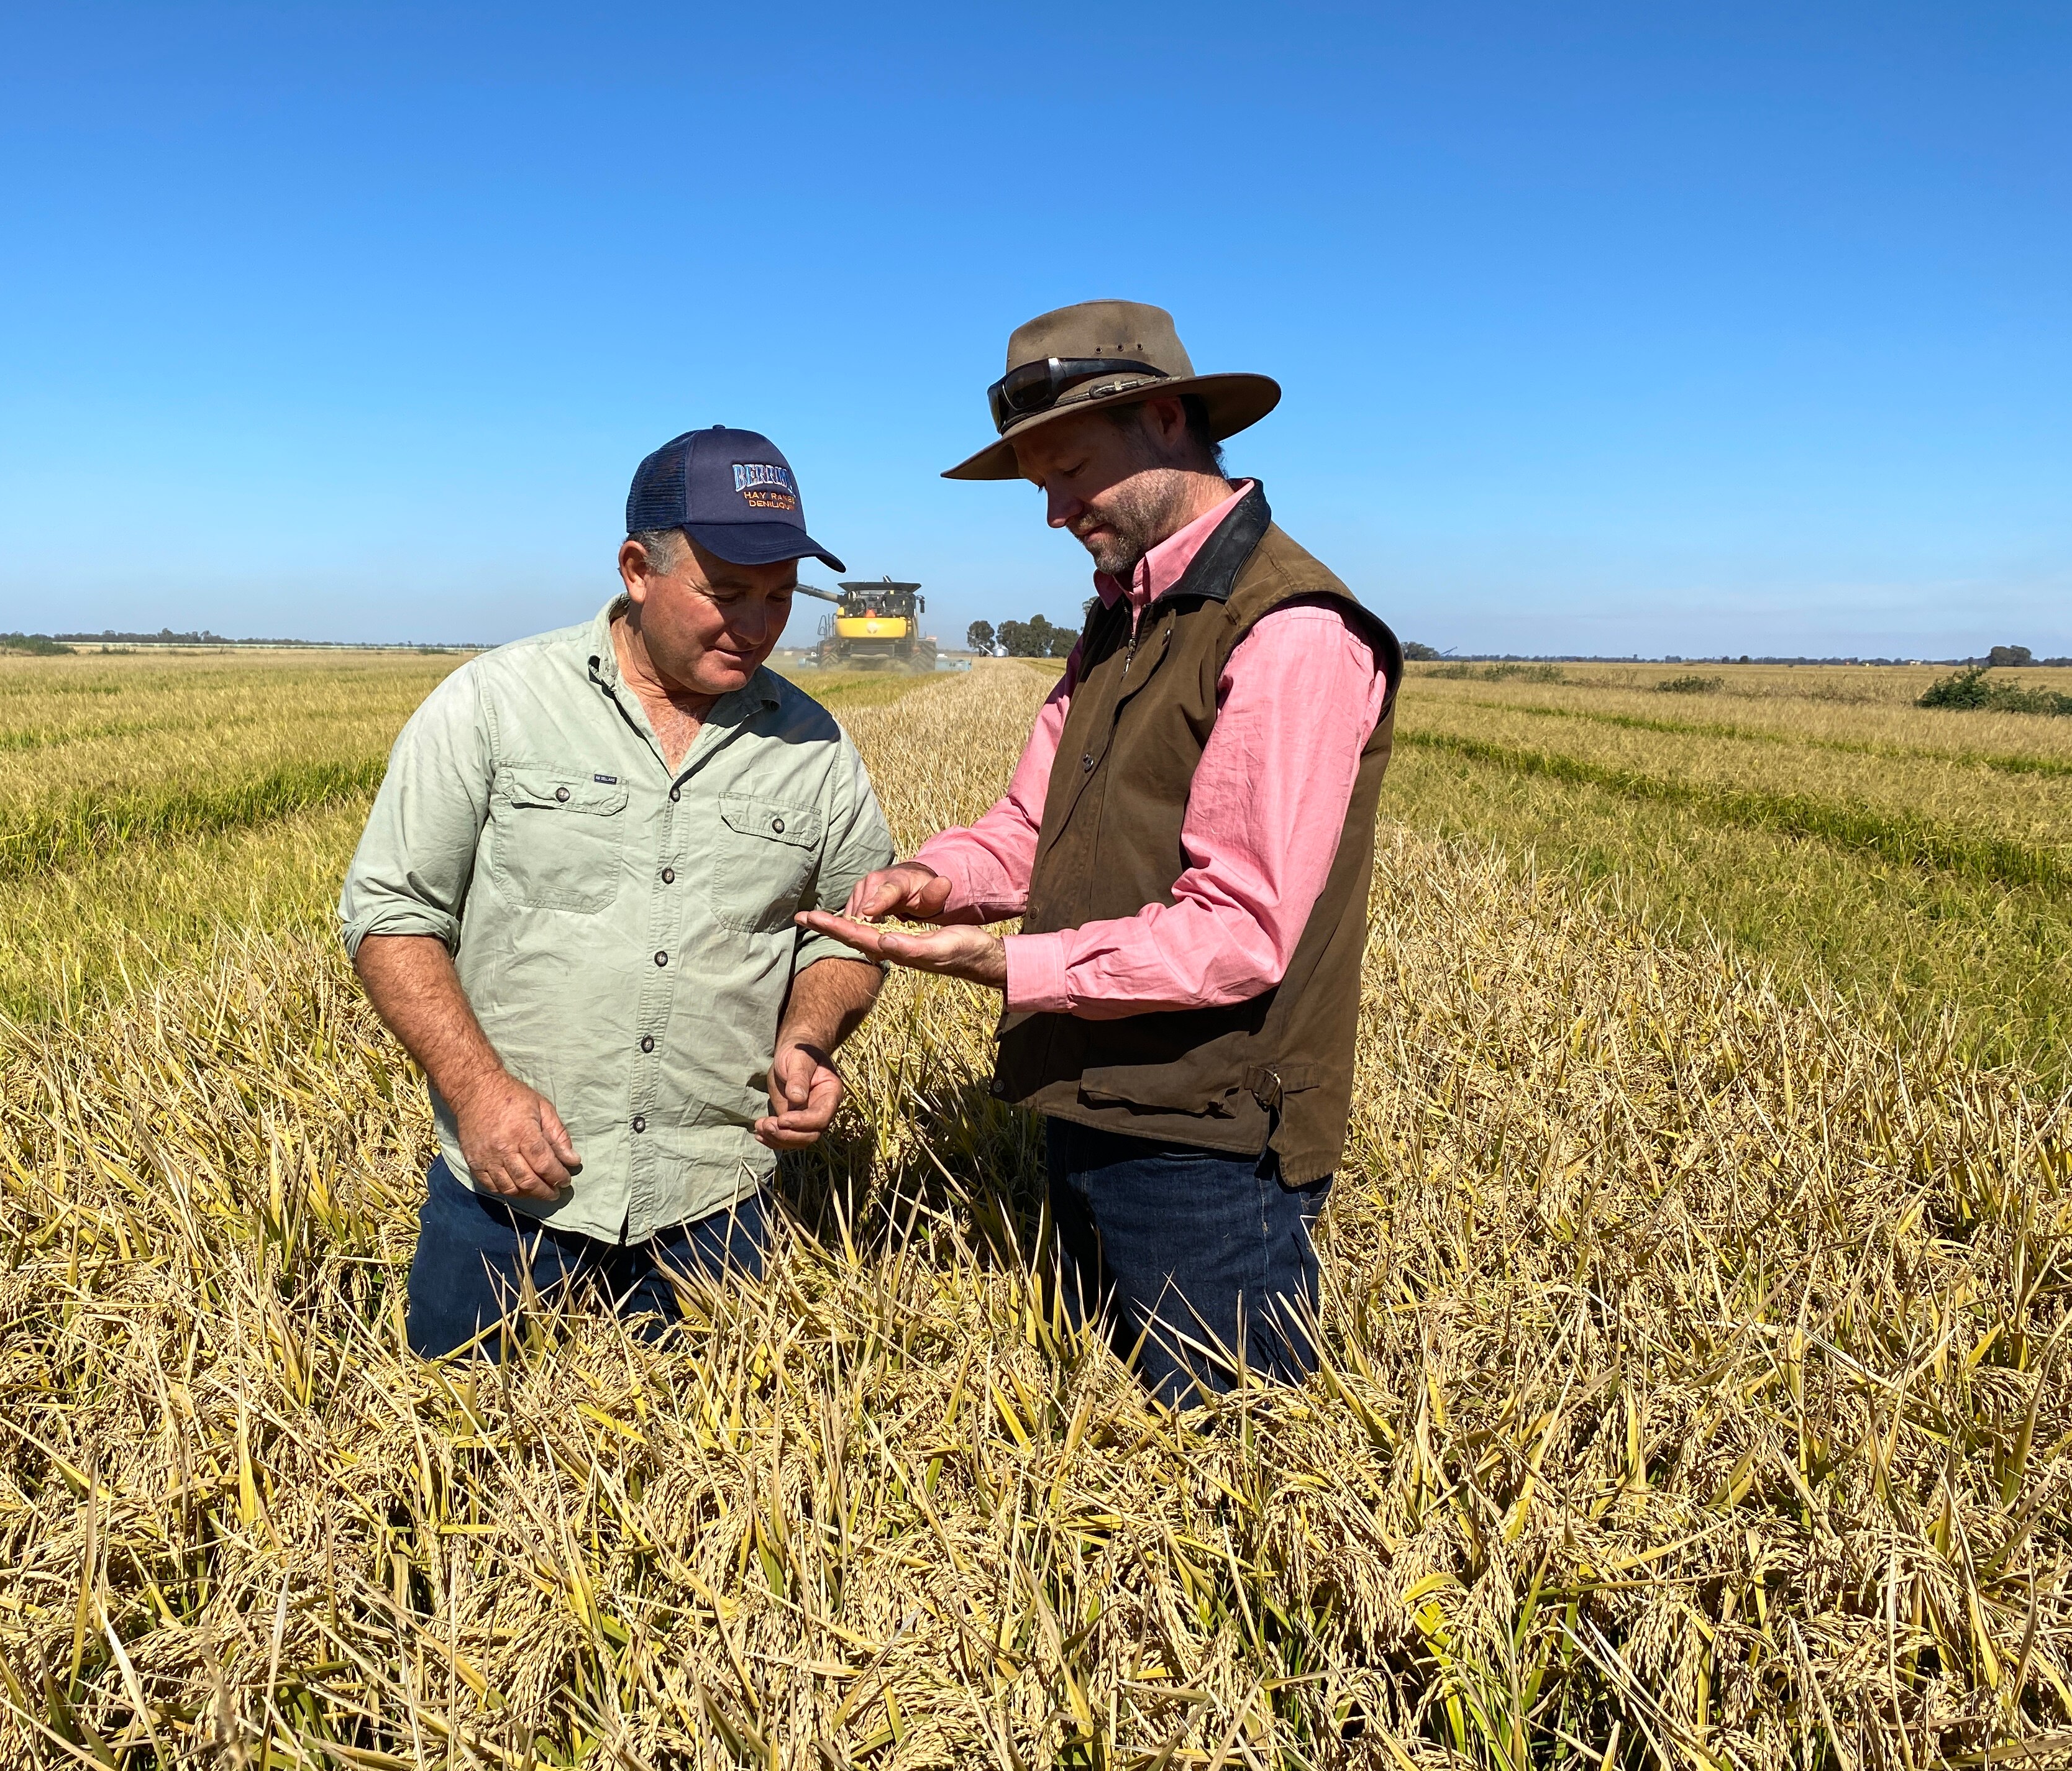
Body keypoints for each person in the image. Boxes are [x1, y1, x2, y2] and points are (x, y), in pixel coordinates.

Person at [803, 301, 1402, 1405]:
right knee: (1106, 1439)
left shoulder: (1290, 629)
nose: (1052, 512)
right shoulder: (1122, 618)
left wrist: (1006, 966)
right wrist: (935, 884)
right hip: (1090, 1095)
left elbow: (1240, 932)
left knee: (1237, 1468)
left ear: (1168, 421)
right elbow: (1036, 829)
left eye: (1071, 470)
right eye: (1038, 483)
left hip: (1207, 1137)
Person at [344, 426, 896, 1359]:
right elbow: (392, 914)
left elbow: (849, 930)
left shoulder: (817, 749)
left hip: (716, 1212)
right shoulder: (494, 704)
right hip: (511, 1198)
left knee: (711, 1484)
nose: (757, 624)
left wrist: (809, 1037)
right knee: (458, 1451)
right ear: (638, 569)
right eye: (726, 593)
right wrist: (479, 1094)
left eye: (779, 597)